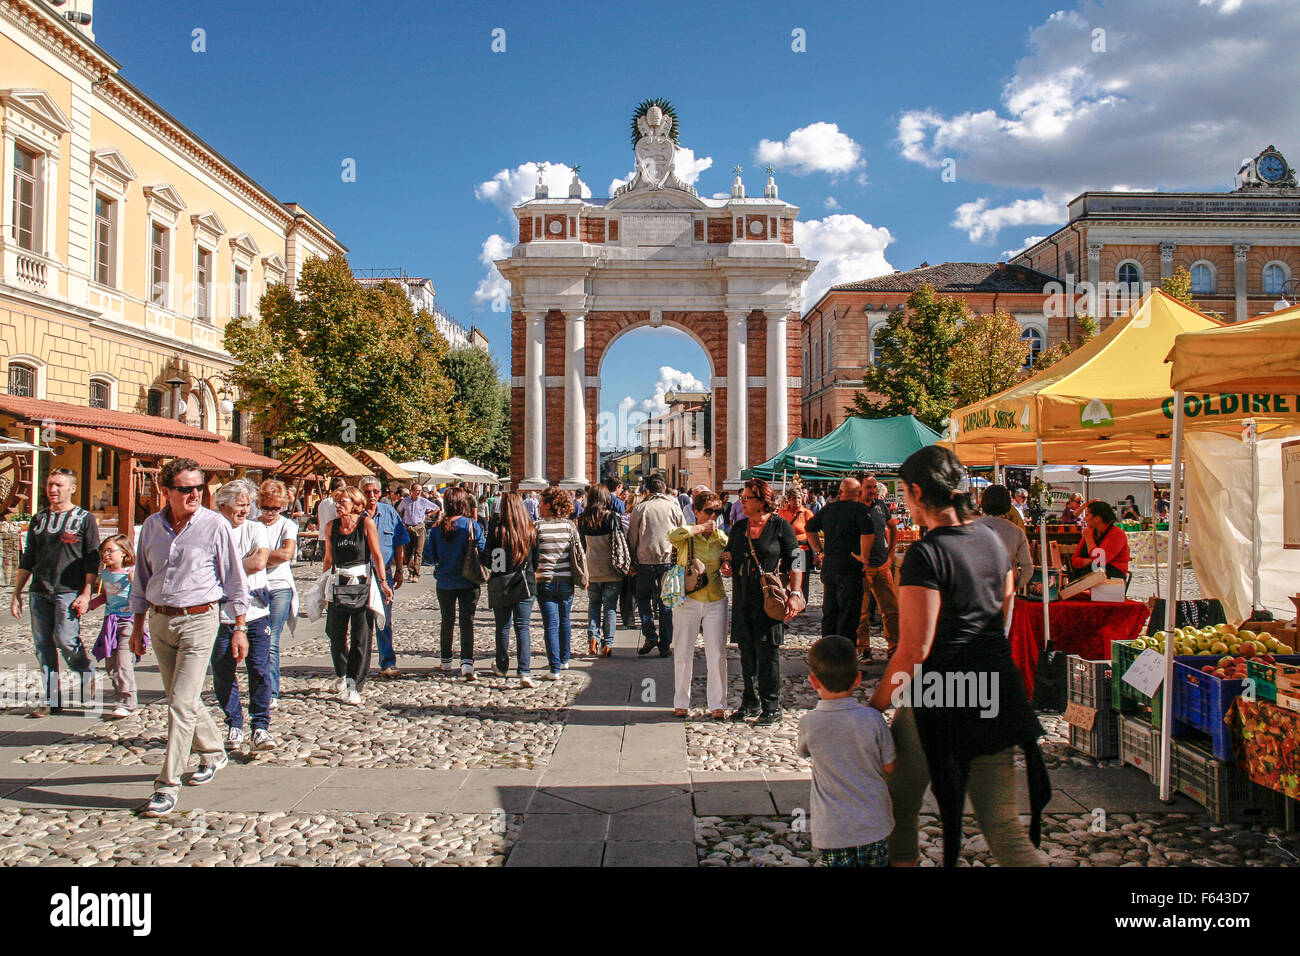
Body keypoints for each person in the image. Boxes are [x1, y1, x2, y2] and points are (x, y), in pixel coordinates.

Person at [868, 446, 1049, 867]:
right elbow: (1004, 610)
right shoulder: (994, 540)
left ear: (917, 492)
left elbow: (915, 648)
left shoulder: (926, 554)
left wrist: (876, 705)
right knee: (1002, 824)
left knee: (899, 802)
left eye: (905, 493)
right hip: (994, 690)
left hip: (940, 693)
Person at [130, 458, 249, 817]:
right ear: (166, 491)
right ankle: (212, 751)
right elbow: (142, 577)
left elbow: (234, 579)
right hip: (160, 619)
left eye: (198, 487)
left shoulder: (214, 525)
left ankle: (167, 786)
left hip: (199, 620)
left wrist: (240, 627)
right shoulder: (152, 527)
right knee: (180, 698)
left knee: (180, 703)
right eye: (185, 489)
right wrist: (137, 625)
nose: (195, 494)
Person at [797, 635, 895, 867]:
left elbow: (803, 752)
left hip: (832, 827)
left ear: (813, 682)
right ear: (858, 678)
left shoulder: (809, 722)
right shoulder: (873, 719)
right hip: (873, 823)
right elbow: (890, 765)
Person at [10, 468, 99, 716]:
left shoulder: (84, 519)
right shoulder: (39, 519)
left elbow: (92, 559)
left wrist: (86, 593)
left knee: (65, 639)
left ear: (72, 488)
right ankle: (51, 700)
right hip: (40, 589)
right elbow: (29, 556)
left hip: (68, 590)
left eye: (59, 485)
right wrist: (17, 593)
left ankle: (85, 671)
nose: (53, 489)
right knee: (42, 646)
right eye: (50, 484)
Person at [721, 478, 805, 725]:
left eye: (746, 498)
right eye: (742, 498)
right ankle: (750, 702)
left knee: (768, 653)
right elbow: (729, 554)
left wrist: (796, 592)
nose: (742, 502)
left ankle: (771, 705)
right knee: (746, 653)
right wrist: (726, 564)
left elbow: (797, 559)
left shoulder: (780, 526)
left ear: (761, 500)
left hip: (770, 599)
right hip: (743, 597)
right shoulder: (739, 527)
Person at [211, 479, 276, 752]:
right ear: (223, 505)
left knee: (259, 669)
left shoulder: (255, 528)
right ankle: (234, 723)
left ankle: (260, 726)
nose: (245, 510)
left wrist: (226, 567)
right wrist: (239, 564)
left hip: (256, 611)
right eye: (240, 504)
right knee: (223, 671)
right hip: (222, 613)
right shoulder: (213, 531)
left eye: (248, 504)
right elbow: (207, 569)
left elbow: (259, 562)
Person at [322, 486, 393, 704]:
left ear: (355, 504)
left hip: (361, 584)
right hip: (338, 584)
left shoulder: (365, 524)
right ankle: (342, 672)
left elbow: (377, 555)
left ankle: (355, 684)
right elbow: (328, 558)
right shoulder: (331, 526)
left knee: (361, 637)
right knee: (335, 635)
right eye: (336, 501)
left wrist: (383, 582)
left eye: (342, 501)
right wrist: (323, 583)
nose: (338, 505)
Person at [667, 490, 729, 719]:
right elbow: (671, 536)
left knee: (717, 653)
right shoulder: (687, 536)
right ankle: (681, 701)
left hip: (715, 598)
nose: (713, 516)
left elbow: (729, 556)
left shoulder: (721, 539)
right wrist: (699, 528)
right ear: (696, 511)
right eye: (708, 511)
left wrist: (728, 563)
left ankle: (718, 704)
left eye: (717, 512)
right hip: (688, 599)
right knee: (683, 652)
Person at [423, 487, 486, 678]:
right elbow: (483, 550)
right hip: (469, 580)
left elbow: (429, 557)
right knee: (467, 622)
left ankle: (446, 660)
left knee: (447, 621)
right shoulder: (471, 525)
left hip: (445, 581)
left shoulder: (437, 528)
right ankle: (467, 662)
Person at [806, 478, 872, 642]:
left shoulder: (829, 509)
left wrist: (819, 550)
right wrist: (864, 556)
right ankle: (844, 651)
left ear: (841, 492)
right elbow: (868, 534)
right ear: (858, 493)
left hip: (830, 567)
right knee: (848, 615)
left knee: (830, 612)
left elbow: (809, 528)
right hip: (850, 567)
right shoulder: (860, 509)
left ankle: (828, 648)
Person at [627, 474, 685, 658]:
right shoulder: (673, 507)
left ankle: (650, 634)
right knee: (666, 602)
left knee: (643, 598)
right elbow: (683, 533)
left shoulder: (641, 508)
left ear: (648, 490)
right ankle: (665, 644)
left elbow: (632, 537)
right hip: (668, 560)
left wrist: (633, 559)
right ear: (664, 489)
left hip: (645, 560)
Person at [486, 491, 538, 686]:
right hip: (525, 583)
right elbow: (536, 560)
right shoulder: (530, 529)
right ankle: (524, 671)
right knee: (523, 627)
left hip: (502, 583)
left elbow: (494, 562)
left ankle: (502, 666)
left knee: (503, 626)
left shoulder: (497, 530)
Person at [360, 475, 410, 679]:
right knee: (362, 623)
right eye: (367, 492)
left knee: (384, 620)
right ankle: (360, 665)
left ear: (381, 493)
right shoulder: (356, 515)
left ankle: (387, 662)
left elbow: (399, 543)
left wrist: (400, 570)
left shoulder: (389, 512)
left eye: (375, 491)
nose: (371, 495)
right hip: (361, 574)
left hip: (384, 574)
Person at [534, 487, 584, 679]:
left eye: (540, 503)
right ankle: (564, 660)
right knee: (564, 620)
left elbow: (532, 554)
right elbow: (579, 553)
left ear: (548, 505)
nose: (538, 506)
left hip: (544, 580)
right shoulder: (569, 526)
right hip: (566, 581)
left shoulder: (537, 526)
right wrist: (583, 577)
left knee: (551, 624)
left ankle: (554, 667)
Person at [257, 480, 298, 710]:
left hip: (280, 586)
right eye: (266, 507)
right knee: (258, 640)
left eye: (276, 508)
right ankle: (261, 686)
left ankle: (271, 691)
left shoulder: (287, 525)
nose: (271, 512)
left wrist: (258, 559)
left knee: (271, 638)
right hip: (256, 586)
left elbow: (286, 554)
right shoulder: (253, 525)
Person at [89, 534, 139, 719]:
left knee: (123, 662)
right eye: (103, 551)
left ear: (124, 553)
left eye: (110, 551)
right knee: (111, 664)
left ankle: (127, 702)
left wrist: (134, 581)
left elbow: (141, 595)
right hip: (110, 621)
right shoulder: (106, 573)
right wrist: (90, 604)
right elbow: (105, 595)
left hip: (129, 621)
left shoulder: (131, 572)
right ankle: (120, 696)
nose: (106, 555)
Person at [858, 475, 901, 661]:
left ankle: (895, 649)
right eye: (869, 487)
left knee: (891, 610)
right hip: (862, 567)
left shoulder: (880, 505)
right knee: (862, 613)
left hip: (882, 564)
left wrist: (891, 553)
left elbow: (892, 527)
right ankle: (863, 649)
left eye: (874, 487)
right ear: (860, 488)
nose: (873, 491)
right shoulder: (854, 507)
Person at [578, 484, 623, 658]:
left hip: (592, 569)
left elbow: (582, 545)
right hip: (611, 568)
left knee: (594, 604)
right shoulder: (612, 517)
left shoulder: (583, 519)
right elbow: (619, 542)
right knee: (610, 607)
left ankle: (593, 638)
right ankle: (608, 644)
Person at [977, 485, 1033, 594]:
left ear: (984, 503)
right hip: (1006, 587)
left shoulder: (972, 527)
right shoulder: (1017, 532)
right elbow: (1027, 568)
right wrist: (1015, 587)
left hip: (979, 589)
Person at [1070, 500, 1130, 582]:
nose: (1084, 519)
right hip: (1090, 573)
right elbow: (1074, 561)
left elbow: (1100, 560)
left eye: (1087, 515)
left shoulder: (1117, 533)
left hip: (1113, 577)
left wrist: (1089, 538)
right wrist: (1089, 561)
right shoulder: (1090, 532)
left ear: (1097, 519)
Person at [777, 487, 815, 604]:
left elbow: (813, 533)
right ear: (789, 499)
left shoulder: (806, 513)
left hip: (800, 550)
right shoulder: (782, 513)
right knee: (783, 577)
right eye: (794, 498)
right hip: (785, 550)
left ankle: (801, 603)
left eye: (799, 498)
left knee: (800, 579)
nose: (797, 501)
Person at [398, 482, 438, 581]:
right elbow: (398, 511)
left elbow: (437, 508)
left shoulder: (424, 501)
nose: (419, 493)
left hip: (419, 527)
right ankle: (410, 571)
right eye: (417, 491)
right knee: (408, 551)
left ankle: (416, 574)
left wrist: (428, 515)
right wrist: (401, 521)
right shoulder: (405, 501)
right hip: (408, 527)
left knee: (418, 552)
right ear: (411, 491)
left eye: (420, 491)